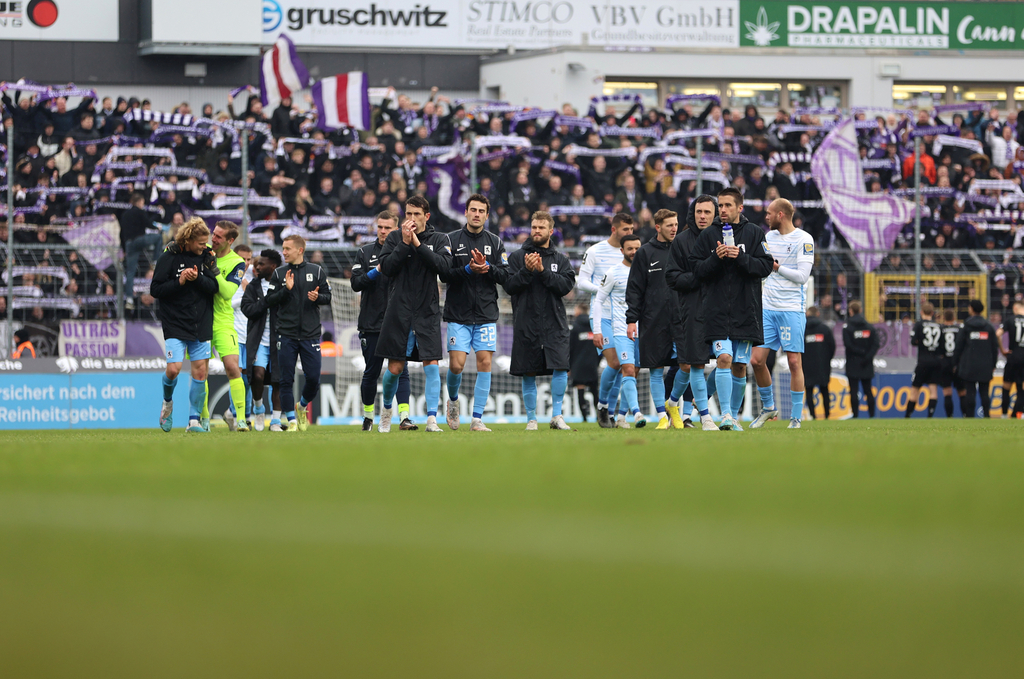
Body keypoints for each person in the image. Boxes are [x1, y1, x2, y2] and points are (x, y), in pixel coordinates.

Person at [689, 187, 774, 430]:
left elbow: (766, 266)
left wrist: (741, 257)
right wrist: (715, 258)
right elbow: (696, 269)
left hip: (746, 310)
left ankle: (733, 417)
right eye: (721, 205)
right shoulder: (708, 236)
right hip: (716, 310)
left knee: (739, 364)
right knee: (723, 358)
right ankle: (725, 415)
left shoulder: (755, 233)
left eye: (728, 205)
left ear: (739, 208)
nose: (723, 210)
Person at [375, 195, 453, 433]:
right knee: (395, 368)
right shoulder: (396, 238)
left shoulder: (439, 239)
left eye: (416, 214)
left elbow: (444, 268)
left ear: (426, 216)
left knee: (432, 364)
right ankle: (387, 410)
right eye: (408, 214)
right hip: (399, 310)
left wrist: (417, 244)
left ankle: (431, 420)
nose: (411, 219)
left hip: (427, 311)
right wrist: (405, 243)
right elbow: (386, 268)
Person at [441, 194, 508, 432]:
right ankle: (453, 401)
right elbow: (444, 274)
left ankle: (477, 419)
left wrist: (487, 268)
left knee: (485, 363)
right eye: (473, 210)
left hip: (486, 313)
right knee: (457, 366)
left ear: (487, 215)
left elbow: (506, 276)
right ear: (466, 212)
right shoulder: (450, 239)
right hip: (458, 313)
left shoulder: (496, 243)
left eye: (481, 211)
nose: (477, 214)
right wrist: (469, 269)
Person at [503, 211, 576, 430]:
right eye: (534, 227)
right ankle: (531, 419)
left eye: (541, 228)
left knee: (561, 367)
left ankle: (556, 415)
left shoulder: (561, 260)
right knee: (529, 370)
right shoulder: (516, 257)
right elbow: (509, 287)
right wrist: (526, 270)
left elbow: (565, 287)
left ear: (550, 231)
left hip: (555, 323)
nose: (536, 231)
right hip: (526, 322)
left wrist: (542, 271)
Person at [750, 198, 814, 430]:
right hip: (768, 308)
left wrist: (776, 267)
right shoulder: (768, 238)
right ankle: (769, 408)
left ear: (781, 215)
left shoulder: (804, 239)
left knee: (794, 362)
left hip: (791, 309)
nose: (766, 217)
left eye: (769, 214)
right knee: (756, 360)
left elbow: (802, 276)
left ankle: (796, 417)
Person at [150, 218, 219, 433]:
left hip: (201, 323)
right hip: (175, 322)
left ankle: (193, 421)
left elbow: (214, 287)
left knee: (200, 374)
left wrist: (197, 278)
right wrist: (179, 282)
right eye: (200, 243)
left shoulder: (206, 258)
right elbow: (155, 290)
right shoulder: (168, 257)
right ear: (188, 240)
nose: (204, 246)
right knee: (174, 369)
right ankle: (167, 403)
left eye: (206, 242)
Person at [349, 210, 414, 431]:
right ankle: (368, 417)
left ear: (396, 229)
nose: (383, 231)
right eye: (380, 227)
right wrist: (377, 270)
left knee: (401, 370)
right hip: (371, 322)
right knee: (372, 371)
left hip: (399, 321)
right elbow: (356, 283)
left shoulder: (405, 250)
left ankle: (404, 416)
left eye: (388, 227)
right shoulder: (365, 252)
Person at [264, 235, 333, 431]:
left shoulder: (316, 270)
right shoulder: (279, 274)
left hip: (310, 334)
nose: (283, 252)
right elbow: (269, 300)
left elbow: (328, 297)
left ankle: (301, 406)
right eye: (283, 248)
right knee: (286, 379)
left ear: (299, 250)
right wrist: (286, 289)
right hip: (286, 334)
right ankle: (292, 421)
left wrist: (317, 297)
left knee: (313, 379)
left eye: (287, 249)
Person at [665, 195, 720, 431]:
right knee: (692, 365)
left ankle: (674, 404)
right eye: (699, 212)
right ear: (692, 213)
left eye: (708, 212)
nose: (703, 216)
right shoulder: (681, 241)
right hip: (692, 310)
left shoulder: (724, 239)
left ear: (715, 214)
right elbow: (672, 277)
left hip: (720, 311)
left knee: (727, 361)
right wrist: (699, 277)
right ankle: (705, 417)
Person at [577, 213, 635, 427]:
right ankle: (603, 407)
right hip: (601, 315)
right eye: (625, 230)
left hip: (626, 317)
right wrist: (604, 290)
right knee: (615, 362)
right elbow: (581, 281)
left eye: (631, 229)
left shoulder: (634, 253)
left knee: (623, 364)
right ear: (614, 229)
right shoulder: (595, 251)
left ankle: (610, 411)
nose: (629, 234)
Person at [625, 208, 681, 429]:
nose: (674, 228)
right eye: (669, 225)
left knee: (686, 366)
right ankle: (662, 417)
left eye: (676, 224)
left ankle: (674, 404)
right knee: (656, 369)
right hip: (653, 321)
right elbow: (635, 289)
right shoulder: (645, 253)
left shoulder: (683, 249)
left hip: (681, 320)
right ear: (658, 227)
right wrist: (632, 320)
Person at [593, 234, 647, 428]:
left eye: (637, 248)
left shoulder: (648, 271)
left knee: (634, 371)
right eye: (630, 249)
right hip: (621, 329)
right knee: (626, 368)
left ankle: (622, 416)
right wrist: (597, 330)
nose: (634, 252)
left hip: (645, 331)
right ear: (622, 251)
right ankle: (635, 412)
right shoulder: (614, 272)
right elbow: (598, 300)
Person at [207, 221, 250, 432]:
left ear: (230, 241)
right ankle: (201, 420)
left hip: (223, 322)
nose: (213, 239)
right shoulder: (203, 251)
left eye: (218, 237)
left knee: (234, 368)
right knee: (200, 371)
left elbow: (225, 292)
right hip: (201, 320)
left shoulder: (237, 263)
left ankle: (241, 419)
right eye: (213, 234)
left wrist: (214, 269)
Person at [241, 249, 284, 432]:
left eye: (261, 264)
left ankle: (275, 421)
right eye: (256, 263)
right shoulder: (253, 286)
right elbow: (247, 309)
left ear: (272, 266)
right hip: (259, 341)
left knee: (278, 381)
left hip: (279, 341)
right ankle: (259, 409)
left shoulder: (284, 284)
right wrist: (266, 301)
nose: (256, 266)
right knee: (256, 375)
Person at [954, 299, 999, 418]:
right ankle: (987, 415)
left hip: (969, 364)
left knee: (970, 392)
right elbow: (994, 347)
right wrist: (994, 364)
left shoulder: (966, 326)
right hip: (985, 364)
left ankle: (970, 416)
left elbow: (958, 346)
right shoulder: (988, 327)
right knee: (985, 392)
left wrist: (955, 363)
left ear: (971, 309)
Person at [227, 242, 253, 430]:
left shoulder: (252, 279)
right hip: (233, 335)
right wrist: (245, 296)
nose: (246, 263)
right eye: (242, 258)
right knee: (237, 377)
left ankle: (236, 412)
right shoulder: (229, 277)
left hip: (250, 335)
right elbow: (225, 305)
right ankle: (238, 416)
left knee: (250, 379)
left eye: (249, 259)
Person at [906, 302, 944, 418]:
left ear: (921, 312)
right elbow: (941, 345)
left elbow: (913, 341)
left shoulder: (919, 325)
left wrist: (920, 341)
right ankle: (930, 416)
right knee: (933, 390)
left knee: (915, 390)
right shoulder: (939, 326)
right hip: (936, 361)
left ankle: (907, 416)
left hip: (923, 361)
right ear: (932, 313)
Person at [842, 301, 879, 418]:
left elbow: (848, 344)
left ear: (850, 311)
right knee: (868, 390)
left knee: (854, 390)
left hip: (853, 362)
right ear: (861, 310)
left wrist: (859, 353)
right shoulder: (869, 327)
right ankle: (872, 416)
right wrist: (867, 356)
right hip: (866, 363)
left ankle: (855, 416)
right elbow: (876, 344)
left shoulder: (847, 327)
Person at [120, 191, 162, 291]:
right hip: (139, 240)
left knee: (130, 272)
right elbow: (148, 223)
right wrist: (158, 228)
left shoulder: (125, 214)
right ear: (139, 202)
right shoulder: (140, 211)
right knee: (158, 238)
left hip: (129, 244)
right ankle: (155, 261)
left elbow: (121, 233)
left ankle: (129, 299)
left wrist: (124, 248)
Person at [802, 306, 835, 419]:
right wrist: (826, 359)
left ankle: (813, 416)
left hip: (807, 365)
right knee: (825, 390)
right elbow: (832, 347)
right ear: (817, 314)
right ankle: (827, 415)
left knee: (809, 391)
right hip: (823, 365)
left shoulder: (802, 329)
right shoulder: (825, 329)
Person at [569, 303, 600, 422]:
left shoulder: (575, 327)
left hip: (578, 364)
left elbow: (570, 348)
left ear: (578, 311)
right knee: (594, 391)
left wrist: (570, 365)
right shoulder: (594, 326)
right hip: (592, 364)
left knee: (580, 389)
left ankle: (584, 417)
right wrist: (597, 361)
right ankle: (599, 416)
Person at [997, 300, 1024, 418]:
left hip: (1013, 357)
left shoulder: (1010, 320)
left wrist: (1003, 350)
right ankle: (1016, 414)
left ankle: (1003, 415)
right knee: (1021, 388)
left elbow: (998, 334)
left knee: (1006, 387)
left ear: (1015, 308)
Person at [939, 309, 964, 418]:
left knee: (947, 392)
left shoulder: (940, 329)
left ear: (944, 318)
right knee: (962, 392)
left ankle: (949, 417)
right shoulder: (959, 329)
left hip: (945, 363)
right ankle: (966, 415)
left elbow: (938, 347)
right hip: (958, 363)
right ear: (954, 318)